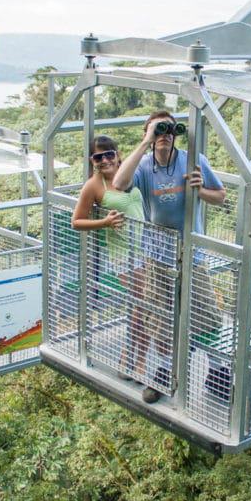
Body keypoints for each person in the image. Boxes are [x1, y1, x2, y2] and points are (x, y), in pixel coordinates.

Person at [114, 111, 227, 403]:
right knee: (161, 316)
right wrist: (145, 143)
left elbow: (221, 196)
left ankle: (217, 374)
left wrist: (201, 190)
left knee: (205, 314)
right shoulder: (144, 165)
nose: (165, 134)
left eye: (169, 130)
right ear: (148, 132)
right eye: (159, 129)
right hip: (157, 255)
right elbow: (119, 183)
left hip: (191, 253)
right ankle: (164, 375)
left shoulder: (193, 160)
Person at [72, 135, 149, 380]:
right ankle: (130, 357)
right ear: (92, 160)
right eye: (99, 157)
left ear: (117, 154)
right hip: (123, 254)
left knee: (145, 304)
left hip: (147, 248)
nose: (105, 160)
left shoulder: (132, 173)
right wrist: (104, 222)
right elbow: (77, 221)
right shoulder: (94, 186)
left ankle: (138, 359)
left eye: (109, 154)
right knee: (143, 303)